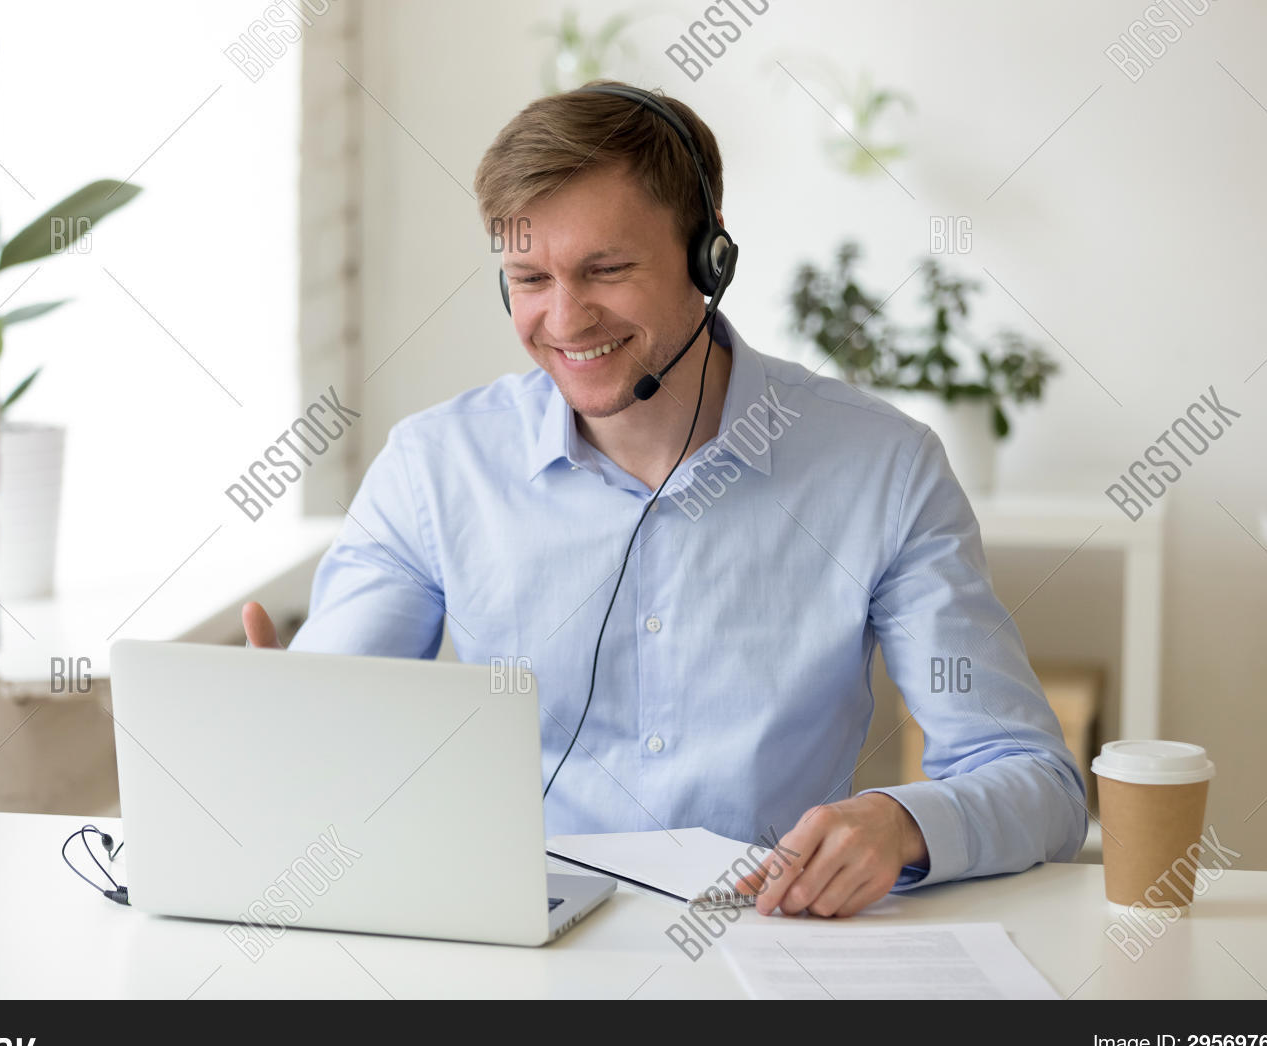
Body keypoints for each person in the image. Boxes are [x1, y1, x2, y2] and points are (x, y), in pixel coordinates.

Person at [242, 81, 1086, 918]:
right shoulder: (436, 469)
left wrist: (902, 821)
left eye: (606, 269)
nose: (565, 319)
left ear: (709, 259)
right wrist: (274, 727)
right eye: (529, 278)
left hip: (771, 948)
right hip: (524, 952)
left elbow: (1035, 780)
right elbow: (330, 731)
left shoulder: (882, 469)